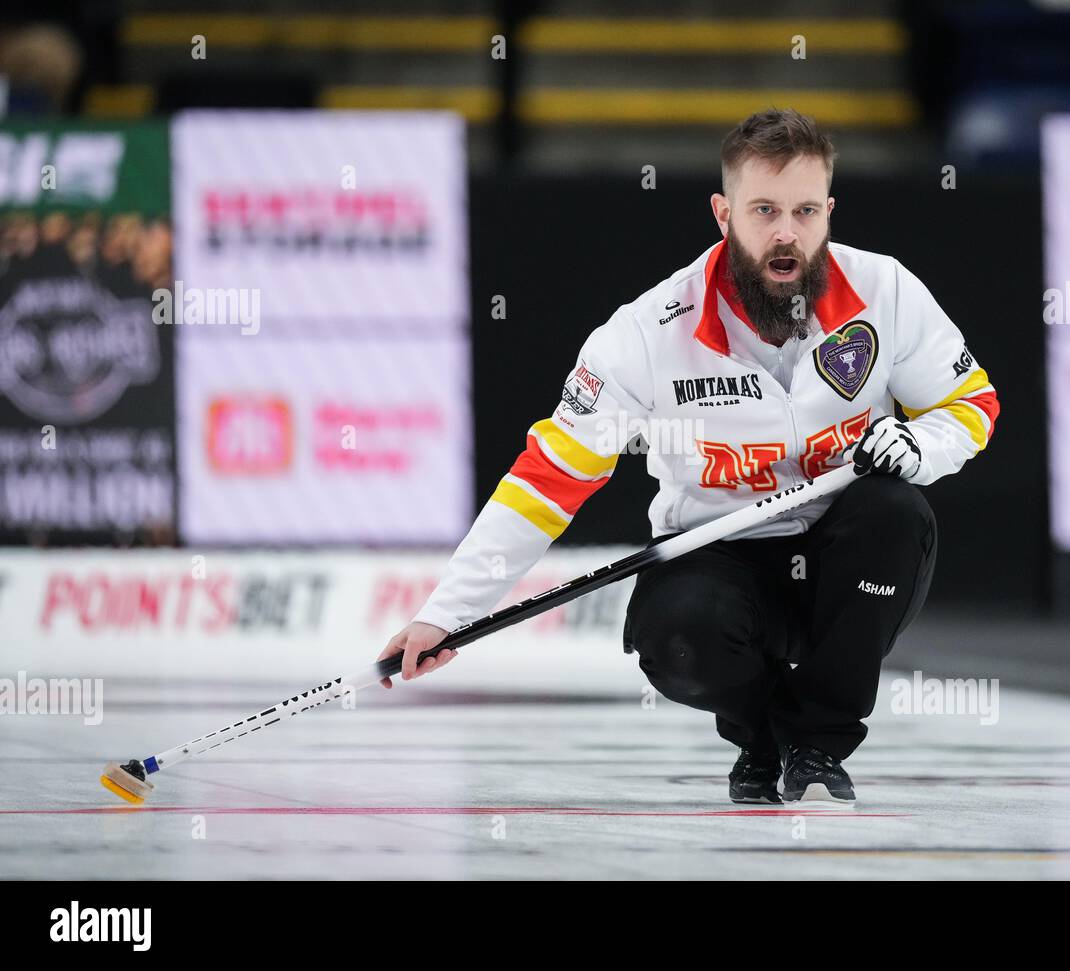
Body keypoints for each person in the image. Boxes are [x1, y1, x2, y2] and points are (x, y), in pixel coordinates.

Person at [379, 108, 999, 804]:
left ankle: (820, 741)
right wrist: (445, 613)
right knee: (676, 636)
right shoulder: (645, 334)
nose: (786, 233)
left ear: (829, 211)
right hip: (721, 558)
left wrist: (918, 446)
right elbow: (546, 480)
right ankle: (769, 738)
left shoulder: (887, 292)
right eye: (763, 210)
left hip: (843, 564)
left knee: (895, 511)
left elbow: (971, 404)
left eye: (803, 210)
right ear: (722, 212)